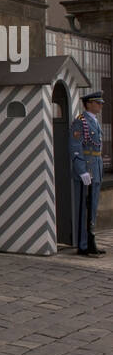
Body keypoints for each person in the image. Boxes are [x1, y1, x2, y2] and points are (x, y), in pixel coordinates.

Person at [69, 90, 107, 257]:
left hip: (96, 169)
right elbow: (76, 148)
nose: (100, 105)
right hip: (86, 170)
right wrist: (82, 170)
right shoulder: (80, 122)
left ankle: (90, 241)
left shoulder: (95, 121)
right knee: (83, 208)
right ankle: (82, 245)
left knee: (92, 207)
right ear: (89, 103)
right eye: (97, 103)